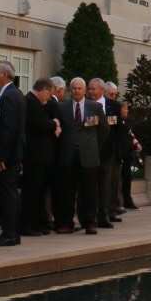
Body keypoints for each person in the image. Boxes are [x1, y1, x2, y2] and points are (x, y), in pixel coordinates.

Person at [0, 61, 25, 246]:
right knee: (10, 194)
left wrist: (2, 156)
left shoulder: (9, 96)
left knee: (8, 195)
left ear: (4, 74)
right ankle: (12, 233)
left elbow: (9, 129)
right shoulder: (11, 94)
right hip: (10, 154)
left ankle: (9, 233)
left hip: (7, 156)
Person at [57, 77, 103, 235]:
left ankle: (90, 222)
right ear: (70, 90)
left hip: (88, 156)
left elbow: (104, 131)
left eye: (79, 88)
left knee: (89, 191)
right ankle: (66, 223)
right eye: (74, 88)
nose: (76, 91)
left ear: (85, 90)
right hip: (68, 155)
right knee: (67, 191)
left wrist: (94, 147)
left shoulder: (95, 107)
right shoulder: (61, 107)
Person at [21, 76, 60, 235]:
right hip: (33, 156)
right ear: (43, 90)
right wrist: (54, 124)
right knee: (31, 192)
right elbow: (41, 124)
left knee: (39, 191)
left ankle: (37, 223)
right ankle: (27, 225)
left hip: (41, 156)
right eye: (49, 94)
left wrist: (53, 123)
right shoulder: (30, 102)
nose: (49, 97)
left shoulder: (38, 103)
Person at [89, 78, 118, 228]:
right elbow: (85, 123)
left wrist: (99, 121)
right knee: (90, 186)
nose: (91, 92)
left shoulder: (112, 105)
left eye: (94, 89)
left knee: (105, 186)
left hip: (106, 151)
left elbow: (114, 124)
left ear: (101, 90)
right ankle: (90, 217)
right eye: (90, 89)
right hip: (89, 151)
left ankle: (104, 215)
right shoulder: (85, 104)